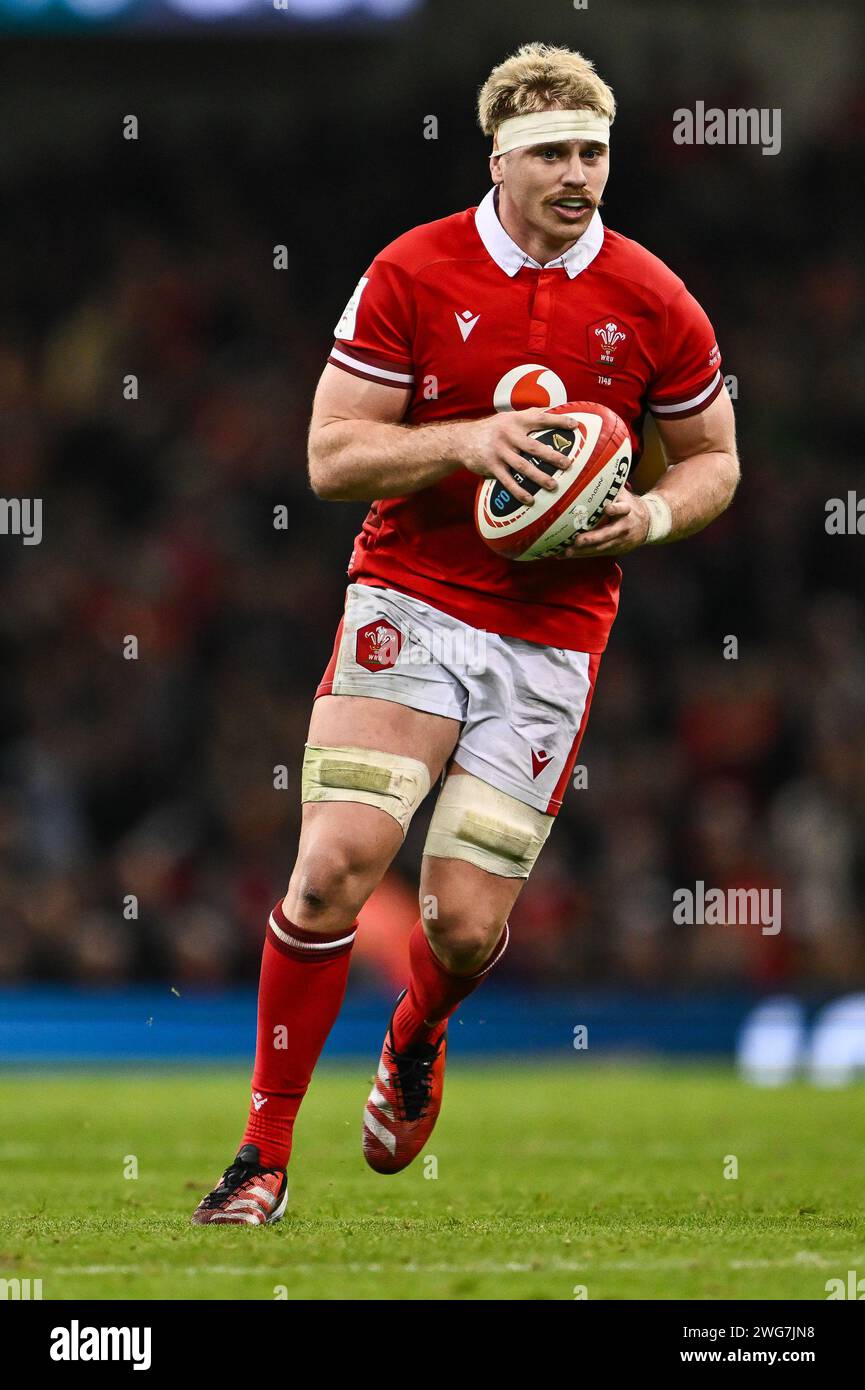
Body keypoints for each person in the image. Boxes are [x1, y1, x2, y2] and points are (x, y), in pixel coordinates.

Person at [192, 40, 738, 1225]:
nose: (578, 173)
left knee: (464, 922)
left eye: (593, 150)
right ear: (498, 158)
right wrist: (465, 440)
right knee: (335, 865)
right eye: (552, 153)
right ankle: (261, 1155)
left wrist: (644, 511)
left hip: (551, 636)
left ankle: (417, 1034)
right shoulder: (413, 269)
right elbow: (331, 455)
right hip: (414, 597)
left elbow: (715, 462)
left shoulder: (652, 297)